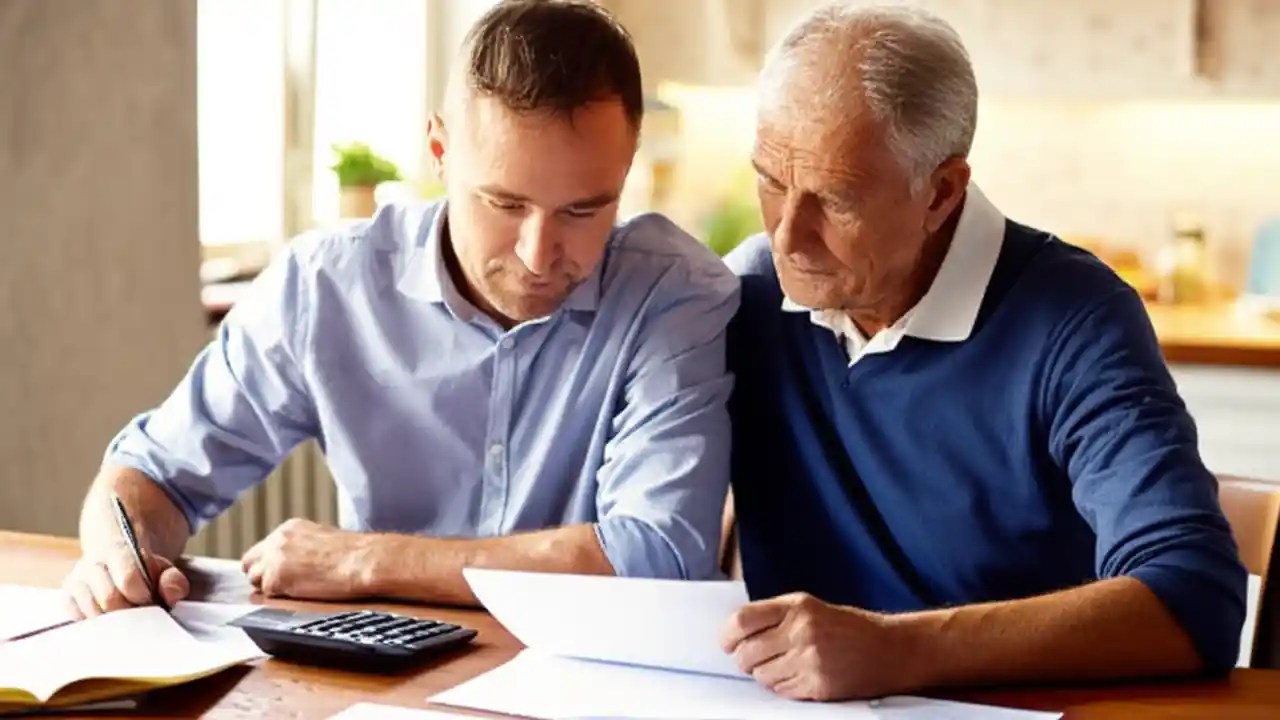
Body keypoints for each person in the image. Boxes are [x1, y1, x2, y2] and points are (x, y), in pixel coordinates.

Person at [62, 0, 737, 618]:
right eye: (504, 204)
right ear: (439, 151)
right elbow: (153, 474)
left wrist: (366, 561)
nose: (538, 254)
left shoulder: (675, 298)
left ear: (625, 168)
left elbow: (658, 557)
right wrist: (116, 560)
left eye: (584, 210)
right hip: (384, 681)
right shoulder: (324, 286)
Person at [720, 2, 1246, 702]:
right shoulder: (743, 293)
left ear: (941, 192)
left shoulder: (1075, 319)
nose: (789, 235)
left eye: (835, 199)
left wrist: (896, 649)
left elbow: (1192, 598)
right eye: (771, 181)